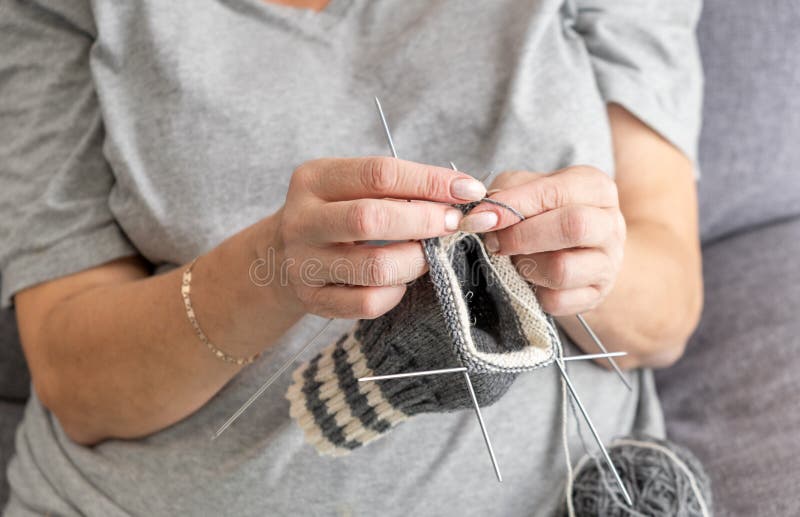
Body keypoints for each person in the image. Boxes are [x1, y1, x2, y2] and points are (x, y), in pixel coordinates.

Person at [0, 0, 703, 515]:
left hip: (568, 491)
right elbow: (76, 381)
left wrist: (576, 263)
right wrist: (269, 267)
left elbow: (667, 309)